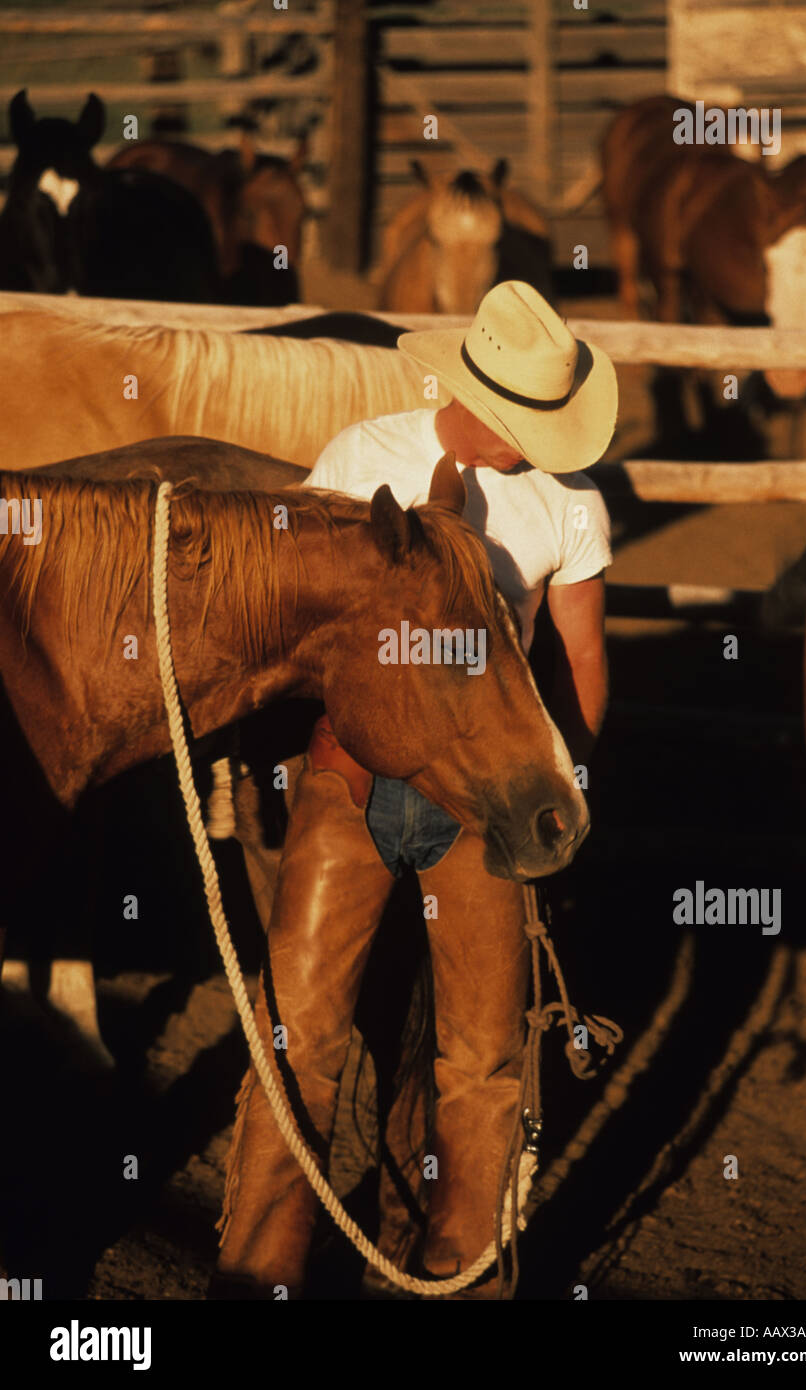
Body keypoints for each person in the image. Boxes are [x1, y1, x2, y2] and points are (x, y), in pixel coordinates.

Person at [215, 280, 618, 1298]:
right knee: (299, 1037)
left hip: (482, 807)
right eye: (535, 419)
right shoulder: (361, 461)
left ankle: (458, 1273)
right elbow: (290, 614)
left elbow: (581, 661)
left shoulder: (569, 496)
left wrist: (559, 794)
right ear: (485, 399)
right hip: (351, 780)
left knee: (478, 1059)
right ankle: (257, 1275)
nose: (548, 440)